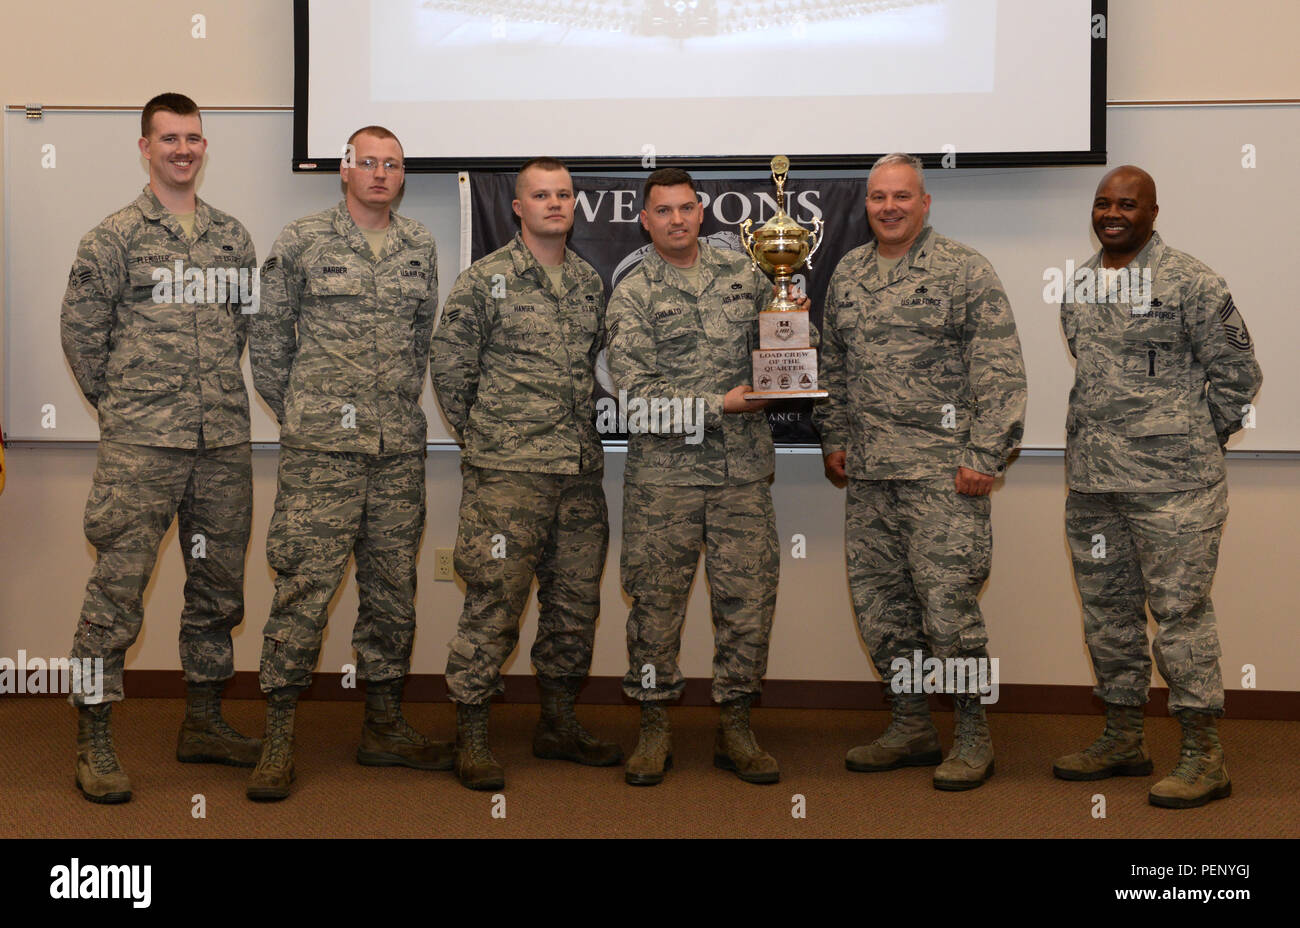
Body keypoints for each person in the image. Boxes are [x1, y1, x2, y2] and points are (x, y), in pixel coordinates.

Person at [60, 92, 260, 803]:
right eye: (169, 138)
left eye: (194, 138)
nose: (183, 149)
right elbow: (81, 335)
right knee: (114, 595)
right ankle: (93, 735)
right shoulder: (112, 237)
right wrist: (126, 407)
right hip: (142, 449)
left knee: (218, 591)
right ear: (145, 147)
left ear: (204, 148)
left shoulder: (233, 238)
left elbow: (245, 329)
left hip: (221, 445)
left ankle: (203, 720)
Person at [245, 126, 446, 801]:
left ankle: (383, 726)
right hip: (321, 456)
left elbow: (421, 341)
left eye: (392, 165)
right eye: (369, 163)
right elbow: (269, 343)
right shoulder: (302, 240)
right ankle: (277, 737)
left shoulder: (420, 244)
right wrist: (308, 413)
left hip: (396, 455)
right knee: (303, 591)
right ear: (345, 169)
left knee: (392, 595)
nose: (381, 174)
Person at [814, 152, 1026, 791]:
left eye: (901, 196)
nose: (889, 207)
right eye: (878, 197)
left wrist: (985, 455)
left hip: (943, 477)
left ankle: (971, 734)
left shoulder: (965, 270)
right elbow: (834, 365)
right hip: (872, 476)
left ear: (925, 202)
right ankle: (910, 724)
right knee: (884, 611)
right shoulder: (849, 272)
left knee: (950, 613)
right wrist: (835, 437)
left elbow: (1001, 370)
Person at [1053, 165, 1262, 809]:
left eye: (1128, 204)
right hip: (1094, 485)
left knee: (1179, 618)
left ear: (1153, 212)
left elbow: (1237, 373)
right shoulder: (1079, 283)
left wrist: (1193, 441)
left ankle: (1204, 756)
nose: (1113, 213)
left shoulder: (1192, 281)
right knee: (1108, 617)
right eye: (1102, 202)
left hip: (1174, 489)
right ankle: (1123, 737)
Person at [430, 157, 621, 791]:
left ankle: (558, 723)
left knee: (574, 607)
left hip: (578, 473)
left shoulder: (591, 282)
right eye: (541, 195)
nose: (554, 204)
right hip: (507, 478)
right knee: (493, 602)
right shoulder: (485, 281)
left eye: (564, 195)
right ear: (518, 207)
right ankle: (473, 734)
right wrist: (489, 438)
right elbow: (451, 373)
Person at [606, 167, 789, 787]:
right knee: (654, 607)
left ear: (702, 211)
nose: (677, 220)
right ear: (645, 220)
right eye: (664, 211)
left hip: (741, 476)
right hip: (664, 481)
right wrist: (722, 404)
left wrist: (792, 328)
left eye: (687, 208)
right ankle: (654, 725)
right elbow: (635, 398)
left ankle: (735, 725)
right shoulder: (631, 293)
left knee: (748, 603)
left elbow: (782, 356)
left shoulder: (748, 274)